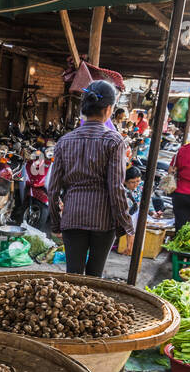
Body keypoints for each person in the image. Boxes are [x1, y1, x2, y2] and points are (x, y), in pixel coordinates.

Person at [47, 79, 130, 277]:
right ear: (109, 109)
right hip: (103, 220)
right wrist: (126, 225)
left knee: (72, 277)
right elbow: (116, 188)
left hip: (72, 216)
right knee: (95, 277)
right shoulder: (114, 140)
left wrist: (56, 223)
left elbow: (52, 189)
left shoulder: (64, 141)